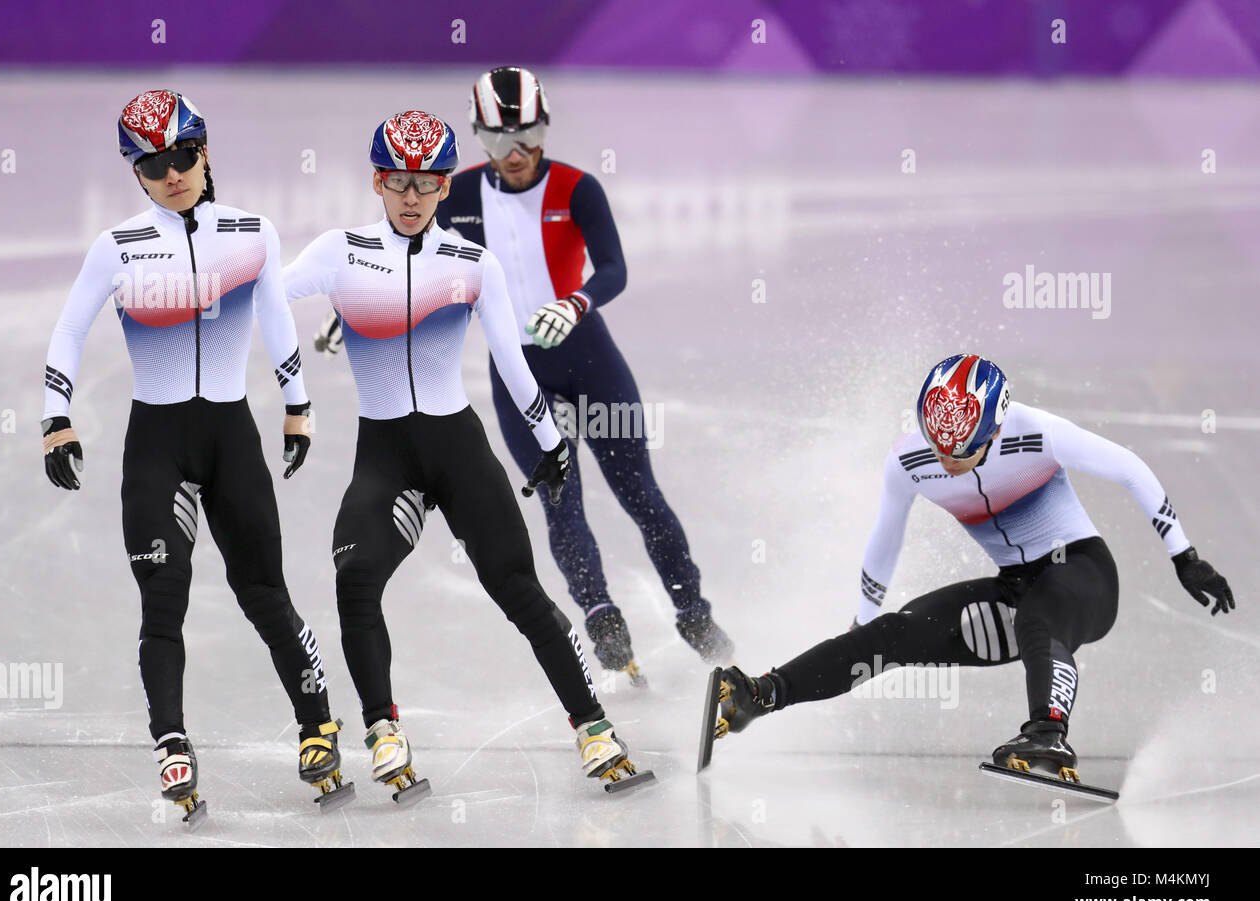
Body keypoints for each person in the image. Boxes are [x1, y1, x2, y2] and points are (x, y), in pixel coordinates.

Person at [314, 67, 734, 684]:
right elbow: (395, 250)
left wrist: (576, 303)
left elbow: (613, 268)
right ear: (478, 137)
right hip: (521, 380)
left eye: (529, 135)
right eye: (498, 140)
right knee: (562, 506)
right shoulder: (452, 195)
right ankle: (601, 616)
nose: (516, 154)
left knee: (639, 494)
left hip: (591, 360)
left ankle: (695, 616)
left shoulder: (577, 188)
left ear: (546, 129)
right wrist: (341, 310)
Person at [283, 110, 648, 795]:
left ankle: (595, 726)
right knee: (354, 578)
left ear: (447, 185)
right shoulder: (340, 252)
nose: (412, 196)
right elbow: (265, 293)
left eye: (426, 182)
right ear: (378, 182)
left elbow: (512, 364)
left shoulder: (474, 264)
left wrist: (550, 445)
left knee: (519, 591)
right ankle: (382, 729)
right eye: (398, 182)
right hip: (385, 455)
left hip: (458, 450)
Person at [41, 90, 350, 824]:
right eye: (154, 164)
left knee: (265, 594)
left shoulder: (252, 233)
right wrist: (56, 417)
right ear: (136, 173)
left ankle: (317, 727)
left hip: (230, 437)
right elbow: (67, 332)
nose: (173, 173)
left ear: (205, 152)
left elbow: (276, 317)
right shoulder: (116, 246)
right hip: (159, 443)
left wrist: (298, 406)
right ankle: (171, 743)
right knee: (163, 603)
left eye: (184, 156)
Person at [708, 353, 1234, 782]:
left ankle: (1049, 735)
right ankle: (761, 695)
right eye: (937, 444)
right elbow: (885, 537)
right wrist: (863, 620)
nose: (945, 459)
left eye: (961, 449)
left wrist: (1185, 558)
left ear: (996, 424)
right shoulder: (910, 460)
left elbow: (1131, 469)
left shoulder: (1039, 431)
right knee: (893, 634)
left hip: (1082, 574)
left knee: (1038, 619)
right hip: (1015, 589)